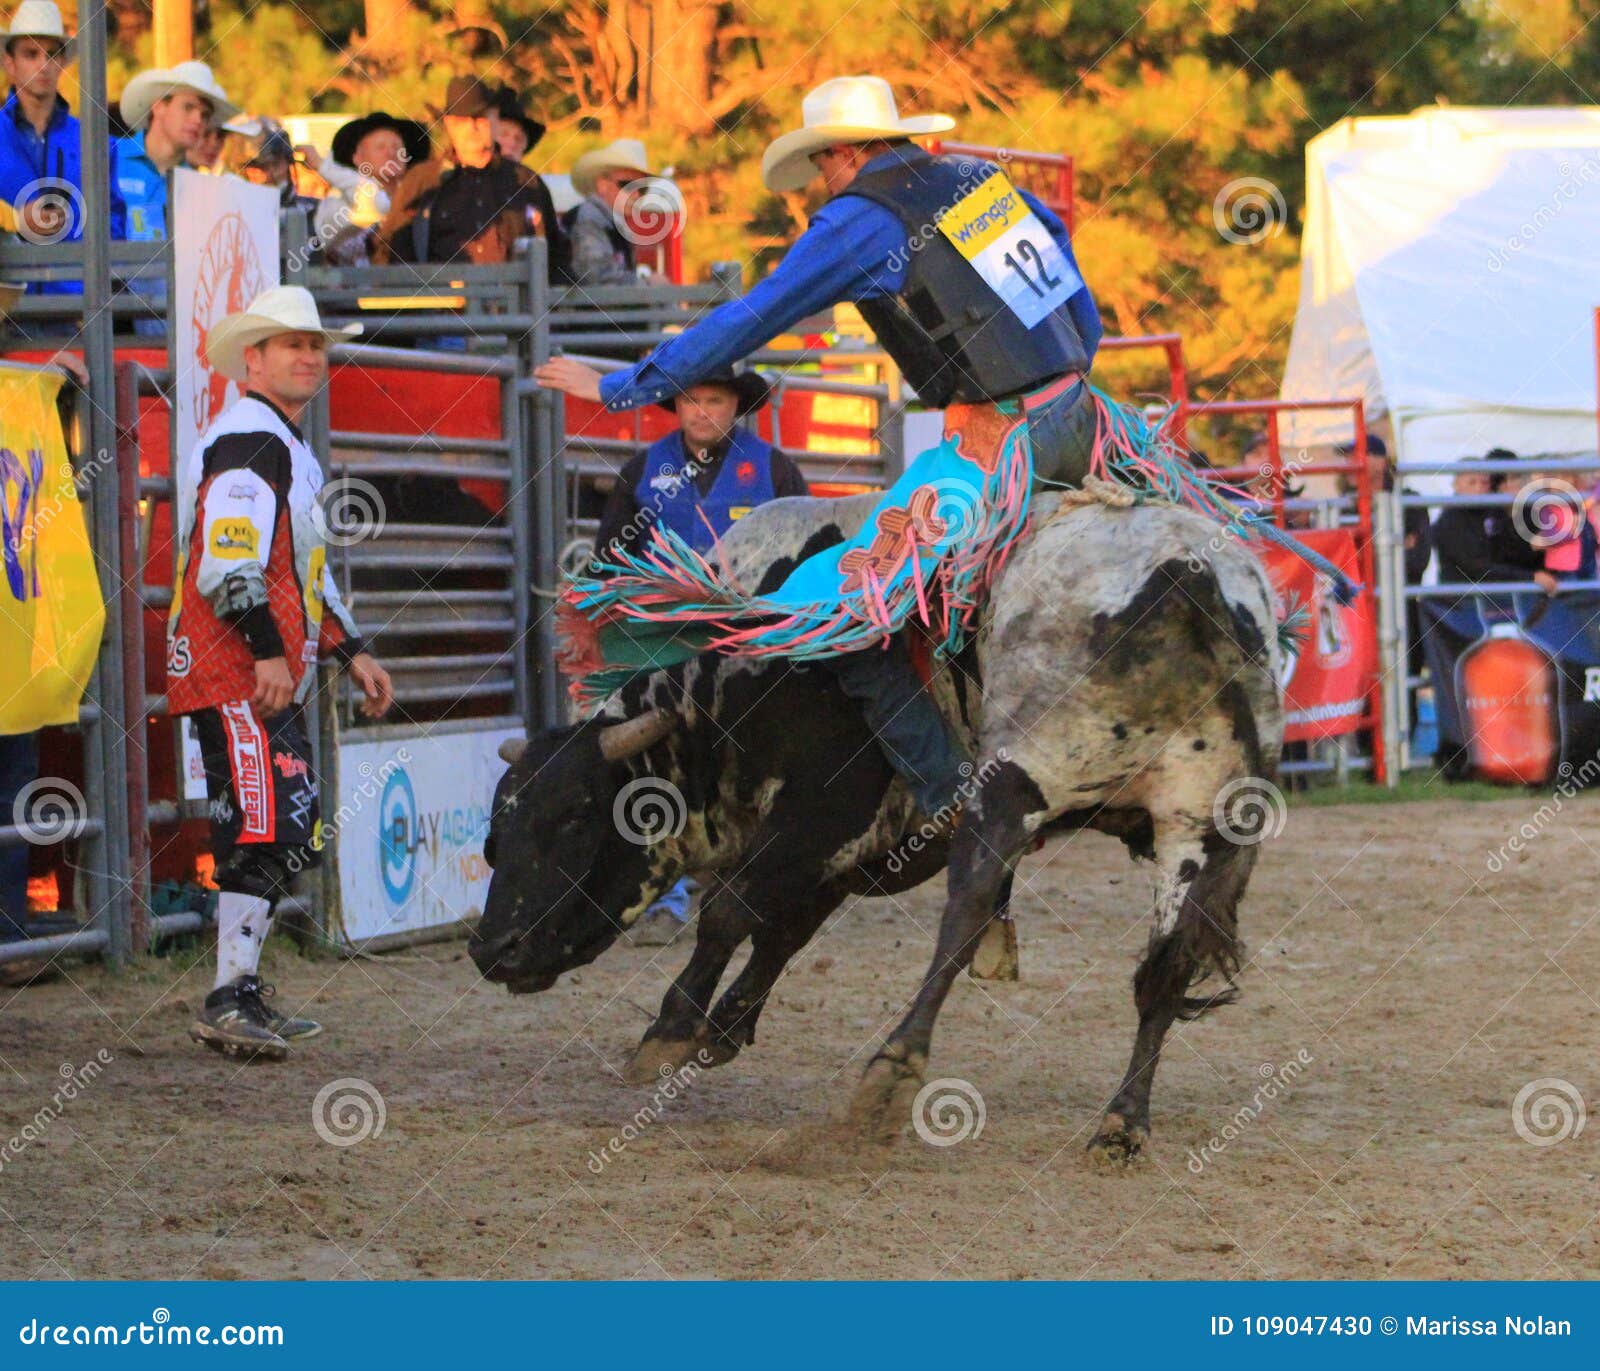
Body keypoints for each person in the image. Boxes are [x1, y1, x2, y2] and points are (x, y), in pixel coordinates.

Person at [537, 75, 1103, 822]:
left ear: (843, 154)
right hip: (1086, 419)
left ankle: (951, 797)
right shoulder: (981, 182)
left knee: (834, 612)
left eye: (818, 172)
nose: (816, 191)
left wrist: (621, 385)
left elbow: (753, 314)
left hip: (1001, 446)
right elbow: (1067, 275)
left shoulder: (862, 219)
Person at [166, 286, 394, 1059]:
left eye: (315, 344)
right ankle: (229, 994)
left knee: (280, 824)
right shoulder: (250, 442)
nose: (307, 355)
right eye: (290, 343)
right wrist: (267, 646)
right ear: (253, 358)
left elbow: (299, 572)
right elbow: (229, 562)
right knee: (263, 825)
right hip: (240, 667)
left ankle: (241, 987)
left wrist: (348, 647)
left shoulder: (276, 443)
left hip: (257, 667)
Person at [593, 366, 808, 944]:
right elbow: (610, 557)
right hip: (668, 649)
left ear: (736, 404)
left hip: (756, 649)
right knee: (666, 762)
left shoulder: (775, 469)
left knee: (755, 761)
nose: (701, 411)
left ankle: (751, 883)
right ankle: (667, 893)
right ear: (676, 407)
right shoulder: (643, 471)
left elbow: (812, 554)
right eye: (690, 400)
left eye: (714, 399)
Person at [372, 76, 563, 275]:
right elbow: (390, 253)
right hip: (442, 303)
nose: (472, 127)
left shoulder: (527, 183)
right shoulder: (423, 181)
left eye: (480, 118)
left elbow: (556, 255)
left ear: (495, 120)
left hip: (513, 303)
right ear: (449, 125)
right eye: (462, 121)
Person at [0, 3, 81, 298]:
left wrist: (94, 298)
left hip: (75, 315)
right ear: (9, 63)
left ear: (62, 63)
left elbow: (113, 224)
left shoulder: (94, 142)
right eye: (31, 54)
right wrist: (18, 220)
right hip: (6, 315)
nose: (43, 65)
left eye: (52, 54)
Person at [111, 60, 237, 240]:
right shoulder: (108, 156)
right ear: (159, 106)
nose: (198, 120)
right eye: (188, 107)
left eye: (205, 115)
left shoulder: (198, 189)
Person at [311, 110, 425, 265]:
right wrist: (324, 167)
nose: (391, 153)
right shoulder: (336, 205)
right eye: (380, 147)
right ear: (358, 158)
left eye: (397, 147)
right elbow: (375, 204)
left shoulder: (420, 202)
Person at [565, 137, 652, 286]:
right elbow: (599, 277)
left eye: (642, 188)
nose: (636, 195)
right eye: (628, 184)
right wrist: (647, 283)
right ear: (602, 185)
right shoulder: (589, 219)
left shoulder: (612, 224)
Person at [493, 86, 544, 165]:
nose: (513, 143)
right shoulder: (468, 175)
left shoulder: (530, 177)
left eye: (519, 139)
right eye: (503, 134)